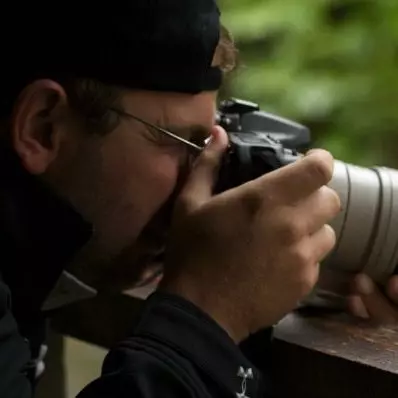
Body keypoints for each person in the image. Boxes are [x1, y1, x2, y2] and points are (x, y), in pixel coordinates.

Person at [0, 1, 397, 397]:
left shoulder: (31, 256)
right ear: (43, 127)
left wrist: (305, 285)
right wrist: (205, 315)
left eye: (209, 144)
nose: (197, 180)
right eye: (181, 143)